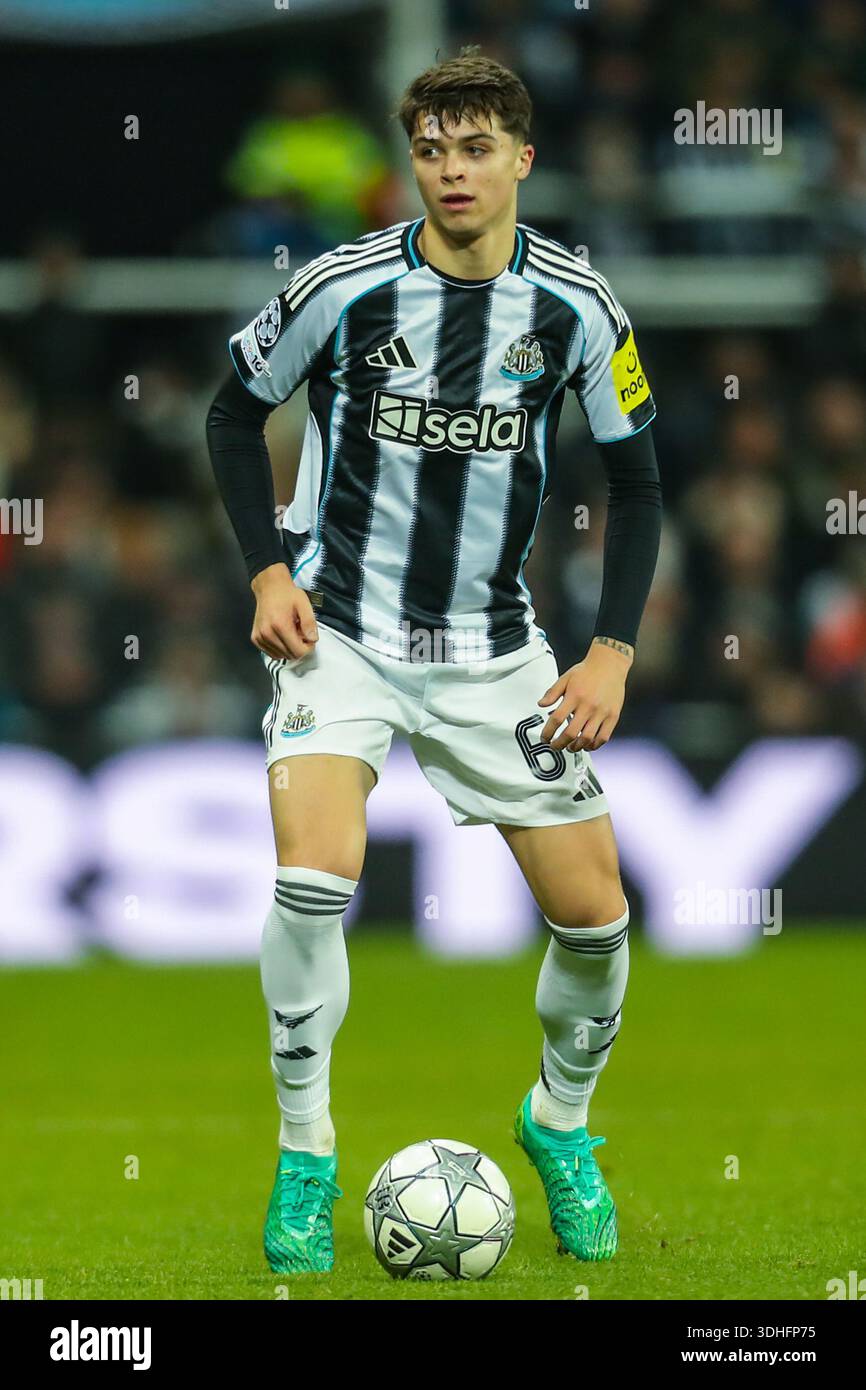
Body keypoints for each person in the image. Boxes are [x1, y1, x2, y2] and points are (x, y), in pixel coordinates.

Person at [205, 45, 661, 1275]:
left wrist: (609, 650)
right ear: (411, 159)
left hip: (492, 649)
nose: (449, 172)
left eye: (473, 149)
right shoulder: (343, 287)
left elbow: (635, 479)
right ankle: (306, 1158)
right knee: (313, 878)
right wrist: (264, 569)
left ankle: (556, 1124)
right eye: (429, 149)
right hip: (338, 627)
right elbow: (231, 410)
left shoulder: (574, 305)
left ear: (520, 158)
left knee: (596, 921)